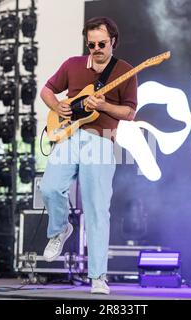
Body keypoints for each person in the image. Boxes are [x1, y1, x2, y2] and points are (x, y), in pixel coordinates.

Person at [39, 16, 137, 294]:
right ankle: (60, 229)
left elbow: (129, 112)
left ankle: (98, 277)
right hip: (68, 135)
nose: (96, 48)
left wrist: (105, 104)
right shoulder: (72, 64)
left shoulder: (126, 71)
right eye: (91, 43)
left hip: (101, 140)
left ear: (113, 42)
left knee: (97, 210)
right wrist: (57, 107)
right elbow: (47, 90)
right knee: (49, 188)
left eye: (102, 43)